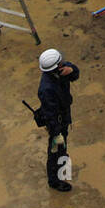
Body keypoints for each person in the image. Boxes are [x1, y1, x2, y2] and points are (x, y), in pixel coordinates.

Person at [36, 48, 79, 191]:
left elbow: (75, 73)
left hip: (63, 116)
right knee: (55, 150)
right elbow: (50, 115)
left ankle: (62, 159)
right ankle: (54, 180)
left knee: (62, 147)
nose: (64, 62)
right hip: (57, 122)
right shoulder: (47, 89)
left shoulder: (61, 72)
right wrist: (56, 133)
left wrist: (71, 70)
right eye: (62, 62)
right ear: (56, 66)